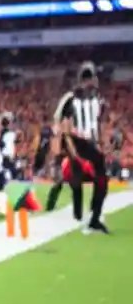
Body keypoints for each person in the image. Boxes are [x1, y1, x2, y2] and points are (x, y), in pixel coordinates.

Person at [54, 61, 109, 234]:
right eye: (91, 78)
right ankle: (84, 215)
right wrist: (73, 152)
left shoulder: (97, 99)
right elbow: (66, 128)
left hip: (89, 143)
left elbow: (99, 123)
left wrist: (101, 143)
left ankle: (93, 216)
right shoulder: (72, 99)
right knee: (78, 180)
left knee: (99, 181)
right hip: (79, 142)